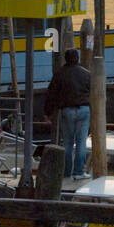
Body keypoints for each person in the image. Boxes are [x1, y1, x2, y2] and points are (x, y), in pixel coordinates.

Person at [44, 48, 91, 179]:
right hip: (84, 109)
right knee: (81, 142)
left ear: (65, 58)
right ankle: (79, 172)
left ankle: (66, 172)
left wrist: (48, 113)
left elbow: (51, 94)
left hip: (67, 110)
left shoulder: (60, 74)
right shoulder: (87, 74)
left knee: (68, 142)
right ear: (78, 58)